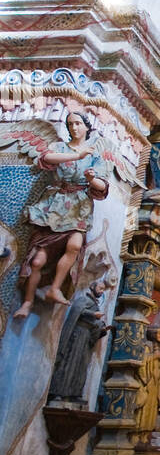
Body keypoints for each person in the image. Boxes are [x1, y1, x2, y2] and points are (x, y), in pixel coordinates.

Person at [13, 110, 110, 318]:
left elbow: (102, 185)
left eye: (78, 123)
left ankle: (55, 287)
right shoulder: (60, 147)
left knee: (75, 245)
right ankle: (27, 302)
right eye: (70, 124)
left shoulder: (95, 154)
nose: (74, 128)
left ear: (86, 126)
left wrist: (91, 178)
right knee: (37, 261)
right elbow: (47, 158)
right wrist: (77, 155)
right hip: (54, 207)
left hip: (79, 207)